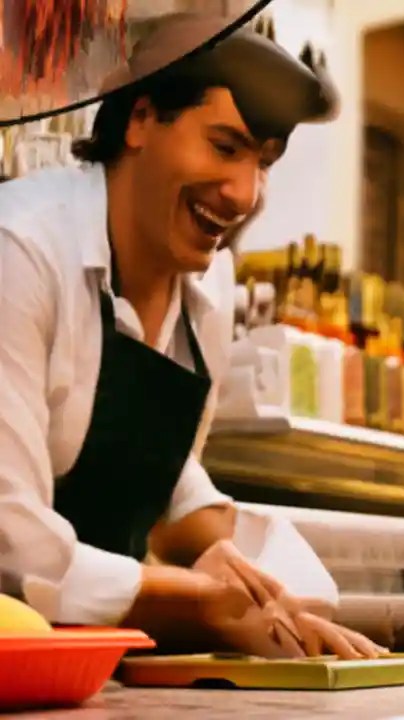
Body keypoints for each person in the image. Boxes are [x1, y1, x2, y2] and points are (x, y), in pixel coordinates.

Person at [0, 13, 381, 659]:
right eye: (225, 147)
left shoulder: (208, 291)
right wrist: (196, 603)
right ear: (141, 118)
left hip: (85, 671)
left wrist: (271, 581)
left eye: (264, 163)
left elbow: (160, 477)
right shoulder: (21, 250)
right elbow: (9, 539)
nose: (244, 193)